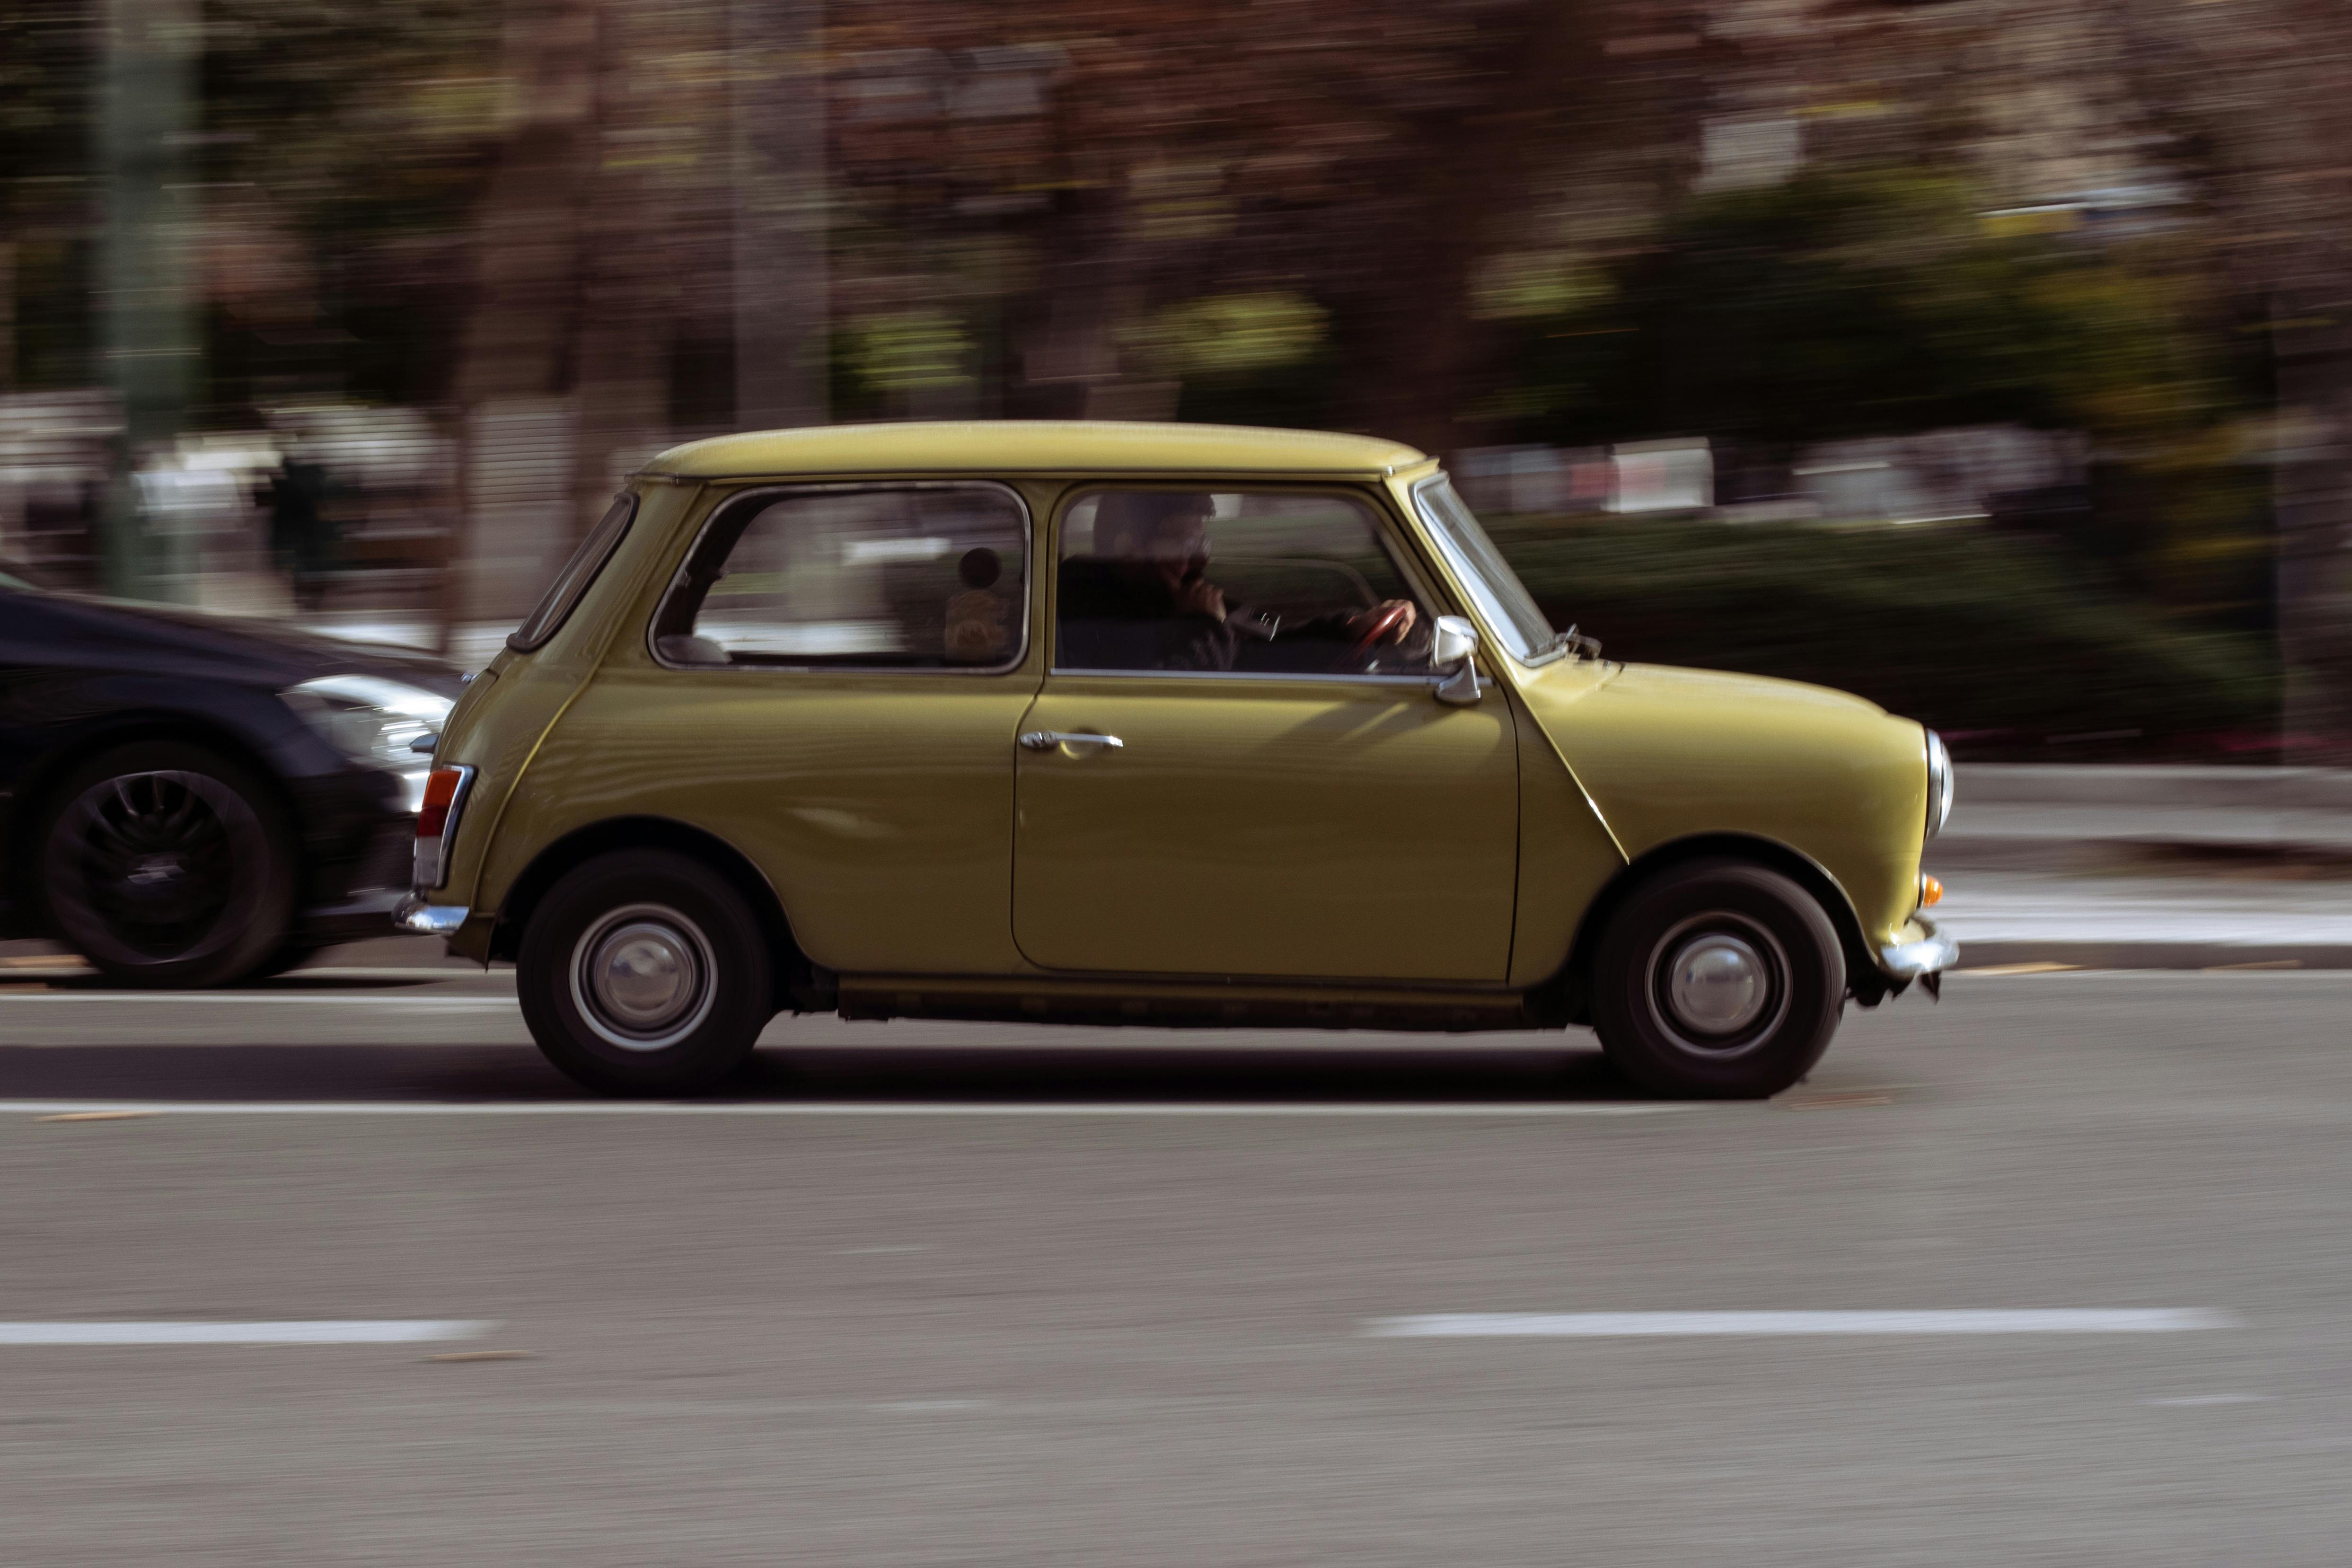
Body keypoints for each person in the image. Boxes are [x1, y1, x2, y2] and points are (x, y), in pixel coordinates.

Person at [1057, 492, 1418, 672]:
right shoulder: (1090, 608)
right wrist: (1204, 627)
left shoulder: (1169, 594)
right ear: (1128, 548)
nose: (1200, 558)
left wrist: (1349, 629)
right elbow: (1172, 702)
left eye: (1201, 542)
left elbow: (1268, 642)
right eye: (1181, 542)